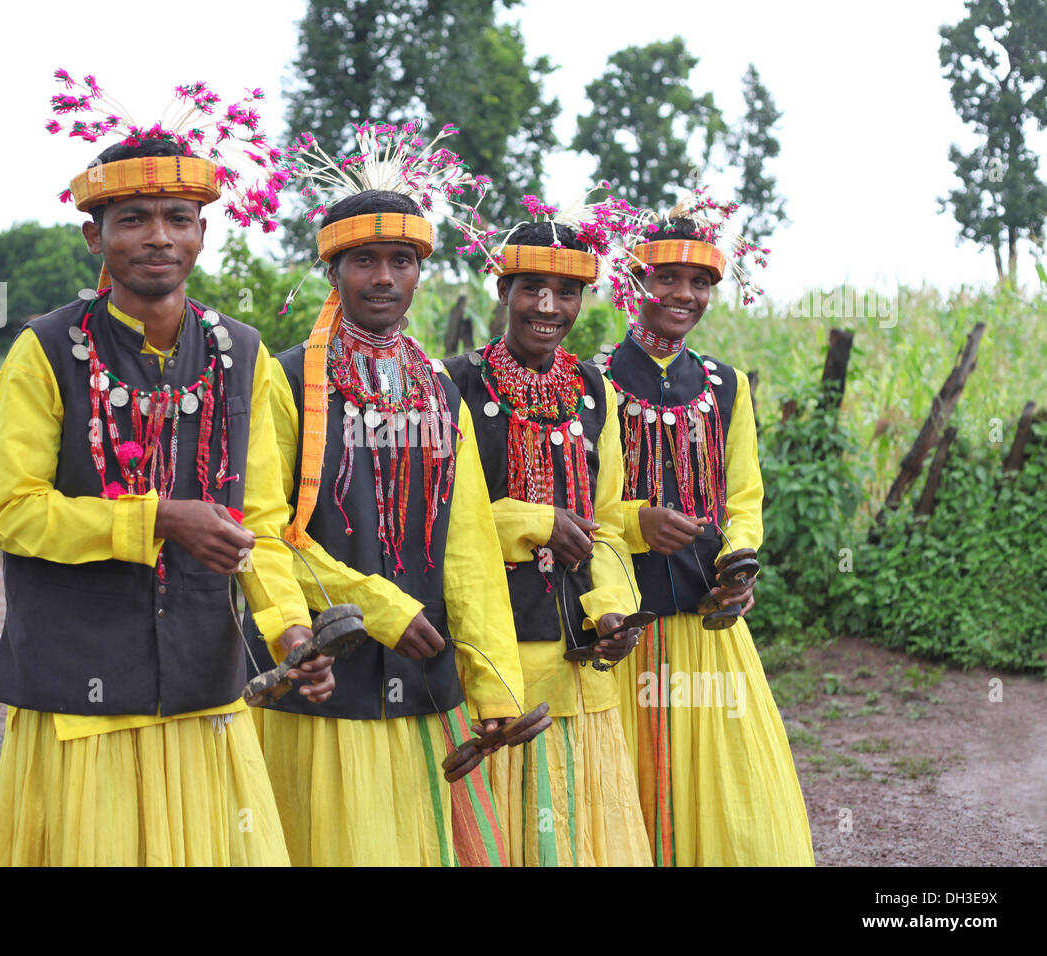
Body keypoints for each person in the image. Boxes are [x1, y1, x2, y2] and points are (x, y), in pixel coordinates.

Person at [0, 75, 332, 866]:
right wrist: (157, 519)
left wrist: (289, 630)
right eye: (131, 219)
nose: (157, 237)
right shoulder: (44, 350)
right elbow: (14, 512)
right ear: (94, 237)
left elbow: (263, 529)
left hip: (206, 675)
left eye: (178, 219)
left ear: (203, 234)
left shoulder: (244, 356)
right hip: (81, 681)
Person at [246, 123, 526, 866]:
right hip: (320, 672)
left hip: (423, 676)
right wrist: (377, 607)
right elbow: (264, 530)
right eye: (361, 260)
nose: (382, 278)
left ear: (419, 274)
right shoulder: (283, 377)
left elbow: (467, 546)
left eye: (400, 261)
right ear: (333, 270)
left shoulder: (440, 391)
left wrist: (494, 685)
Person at [596, 197, 814, 866]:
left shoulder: (726, 386)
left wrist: (740, 554)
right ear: (634, 284)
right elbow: (585, 502)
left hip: (706, 621)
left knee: (733, 801)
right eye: (667, 278)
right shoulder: (593, 382)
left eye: (699, 283)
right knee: (625, 792)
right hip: (619, 627)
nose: (683, 295)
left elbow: (744, 494)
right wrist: (637, 522)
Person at [444, 214, 653, 867]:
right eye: (530, 287)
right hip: (498, 656)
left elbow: (611, 519)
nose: (547, 306)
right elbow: (447, 515)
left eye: (565, 293)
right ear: (502, 289)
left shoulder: (595, 391)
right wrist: (533, 521)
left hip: (579, 662)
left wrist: (611, 608)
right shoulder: (454, 384)